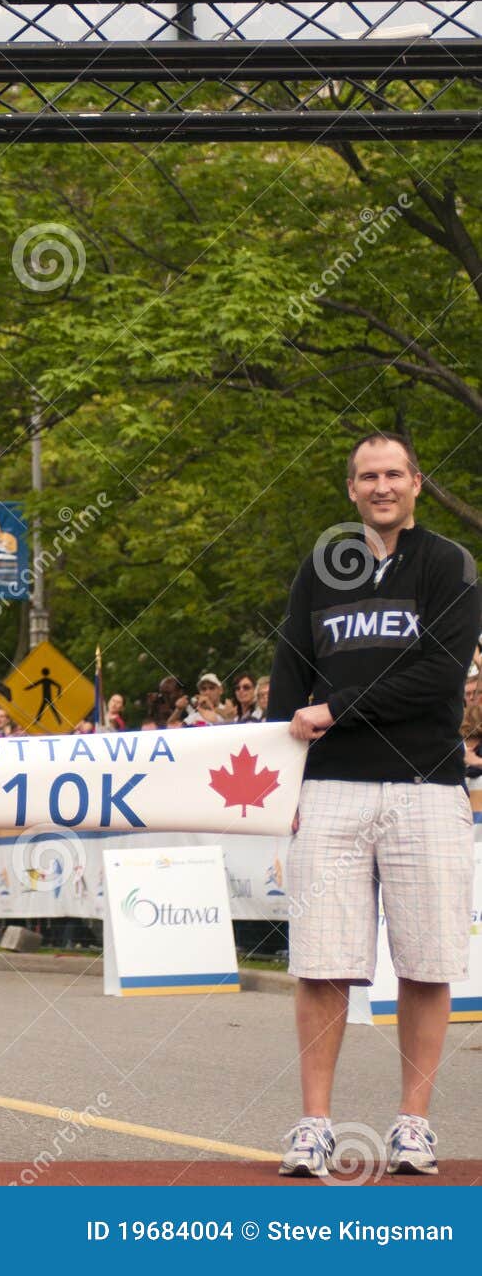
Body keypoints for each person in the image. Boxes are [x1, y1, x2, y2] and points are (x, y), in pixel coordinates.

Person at [270, 431, 480, 1180]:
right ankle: (314, 1127)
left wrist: (337, 708)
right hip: (330, 788)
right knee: (322, 962)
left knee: (427, 962)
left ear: (417, 483)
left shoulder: (450, 564)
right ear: (351, 489)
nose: (381, 486)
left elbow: (437, 676)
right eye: (368, 476)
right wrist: (285, 786)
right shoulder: (321, 569)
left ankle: (413, 1125)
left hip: (427, 786)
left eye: (394, 474)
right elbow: (289, 674)